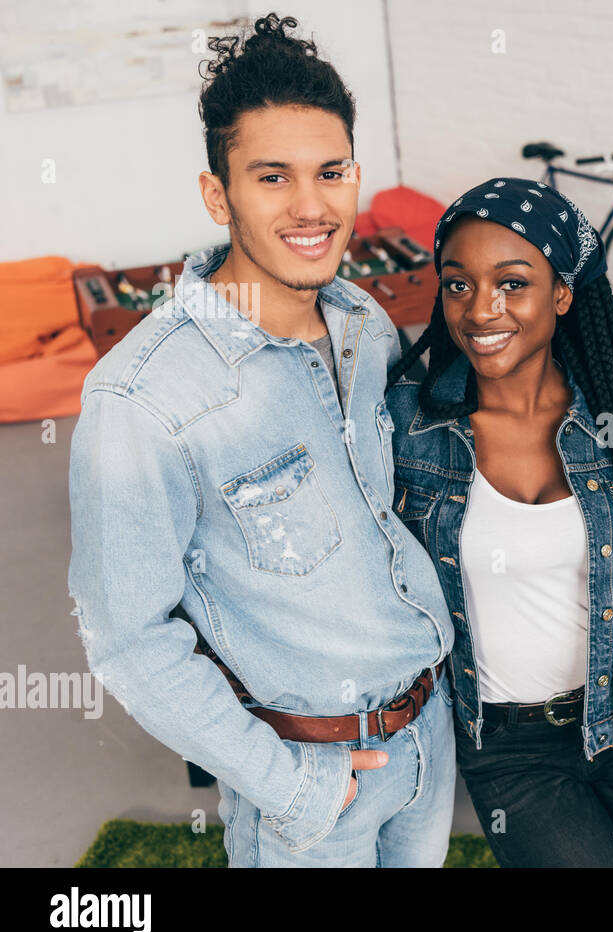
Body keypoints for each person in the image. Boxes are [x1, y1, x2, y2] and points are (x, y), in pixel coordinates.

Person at [67, 14, 457, 867]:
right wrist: (291, 786)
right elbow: (128, 638)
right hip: (310, 785)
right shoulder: (141, 397)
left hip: (428, 737)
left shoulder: (365, 326)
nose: (311, 206)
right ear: (219, 195)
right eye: (272, 177)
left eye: (331, 172)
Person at [384, 177, 613, 867]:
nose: (480, 309)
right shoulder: (410, 426)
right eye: (458, 284)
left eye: (512, 283)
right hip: (507, 747)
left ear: (561, 294)